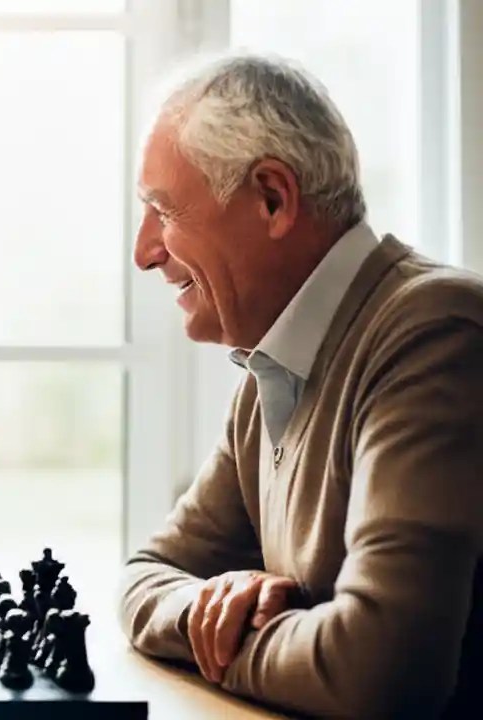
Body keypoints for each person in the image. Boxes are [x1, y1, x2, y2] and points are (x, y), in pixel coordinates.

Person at [120, 53, 483, 718]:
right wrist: (209, 605)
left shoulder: (437, 331)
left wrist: (228, 637)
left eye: (162, 210)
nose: (144, 251)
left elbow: (379, 669)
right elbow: (144, 577)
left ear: (273, 198)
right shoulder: (270, 375)